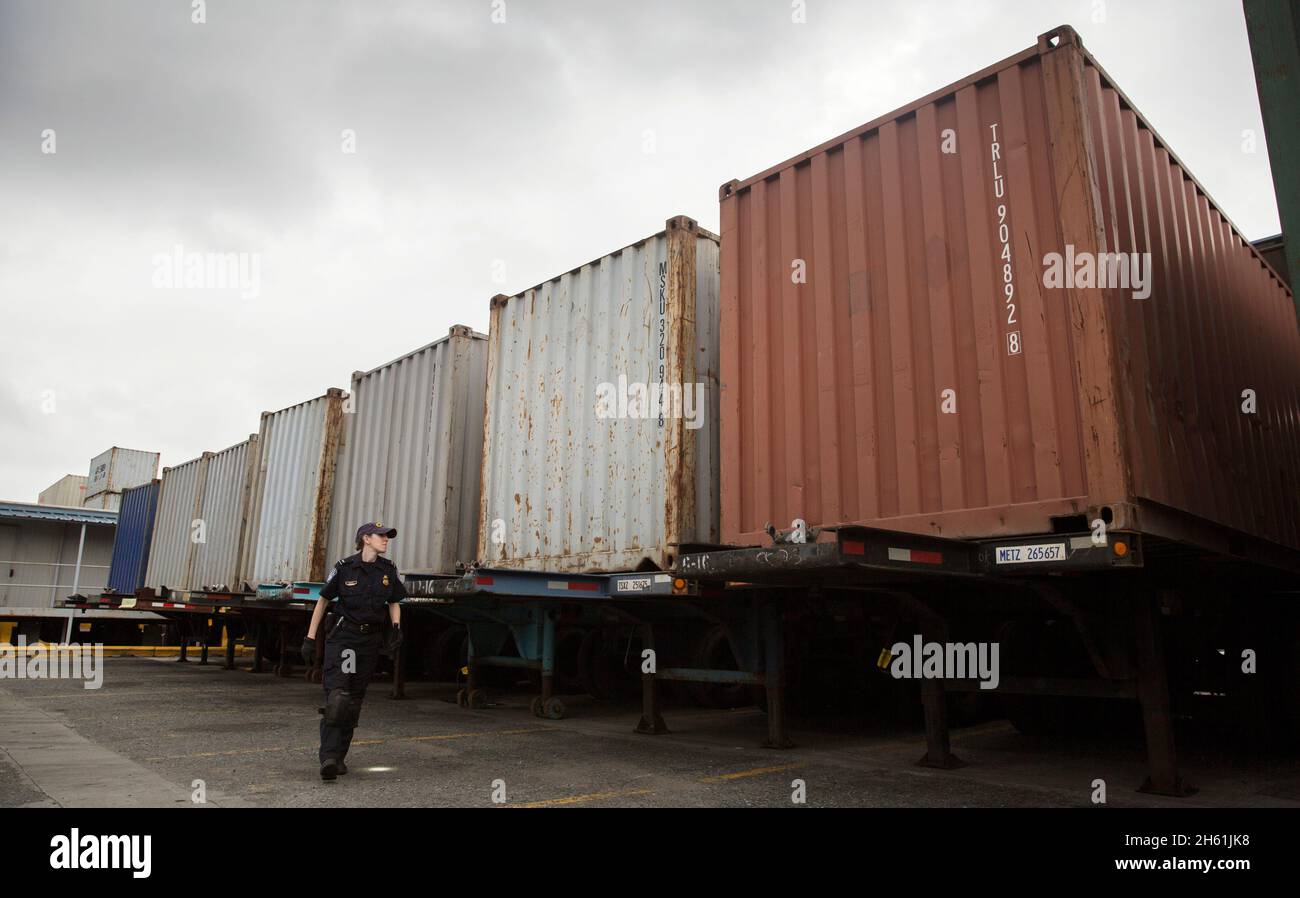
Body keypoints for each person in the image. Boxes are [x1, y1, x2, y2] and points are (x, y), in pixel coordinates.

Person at [302, 521, 406, 781]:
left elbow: (394, 601)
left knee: (354, 701)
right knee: (339, 697)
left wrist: (395, 627)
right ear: (365, 539)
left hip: (369, 642)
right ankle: (328, 757)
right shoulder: (345, 568)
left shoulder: (388, 570)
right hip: (345, 640)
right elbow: (323, 601)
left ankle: (338, 758)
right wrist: (311, 637)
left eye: (387, 537)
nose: (386, 540)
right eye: (381, 536)